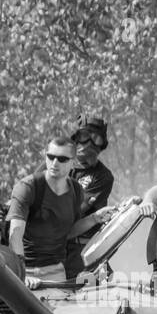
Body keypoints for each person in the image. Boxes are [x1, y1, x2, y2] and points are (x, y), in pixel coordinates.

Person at [7, 137, 115, 282]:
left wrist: (95, 218)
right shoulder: (28, 187)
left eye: (62, 159)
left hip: (57, 271)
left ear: (73, 162)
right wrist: (22, 274)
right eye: (51, 157)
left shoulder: (75, 190)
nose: (55, 163)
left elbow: (68, 232)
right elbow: (15, 234)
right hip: (26, 270)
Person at [63, 114, 117, 278]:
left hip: (82, 252)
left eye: (96, 139)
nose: (90, 144)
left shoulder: (102, 176)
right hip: (54, 250)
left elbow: (73, 212)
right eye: (85, 137)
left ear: (102, 144)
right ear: (75, 138)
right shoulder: (58, 164)